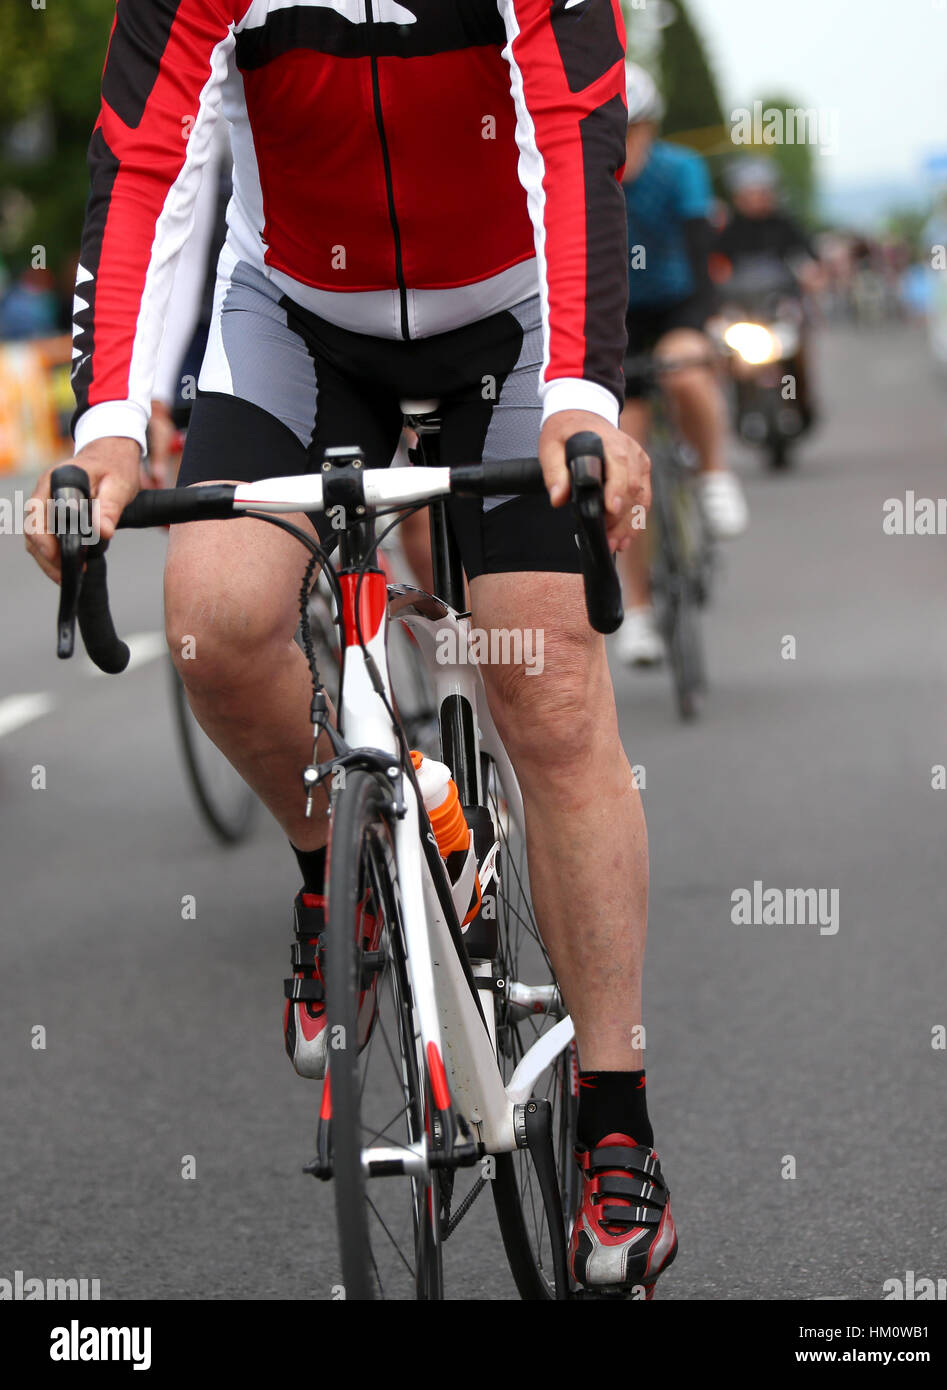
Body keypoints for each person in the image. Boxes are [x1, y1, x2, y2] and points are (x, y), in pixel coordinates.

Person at [26, 1, 675, 1297]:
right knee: (215, 626)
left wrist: (582, 403)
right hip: (298, 323)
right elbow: (144, 159)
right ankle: (338, 858)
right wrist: (108, 426)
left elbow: (573, 124)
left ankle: (614, 1107)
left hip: (513, 318)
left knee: (545, 683)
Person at [617, 62, 748, 668]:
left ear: (651, 127)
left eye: (634, 128)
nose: (625, 142)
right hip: (614, 325)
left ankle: (715, 474)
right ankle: (638, 612)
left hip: (678, 305)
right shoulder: (585, 179)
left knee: (685, 366)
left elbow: (703, 260)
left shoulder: (681, 171)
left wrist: (703, 321)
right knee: (624, 471)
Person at [715, 160, 823, 427]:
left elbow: (809, 256)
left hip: (781, 308)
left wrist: (812, 274)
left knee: (799, 351)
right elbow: (714, 263)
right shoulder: (729, 230)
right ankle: (738, 406)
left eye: (761, 192)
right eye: (748, 194)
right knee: (728, 356)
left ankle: (804, 398)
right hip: (744, 311)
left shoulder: (786, 224)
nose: (755, 199)